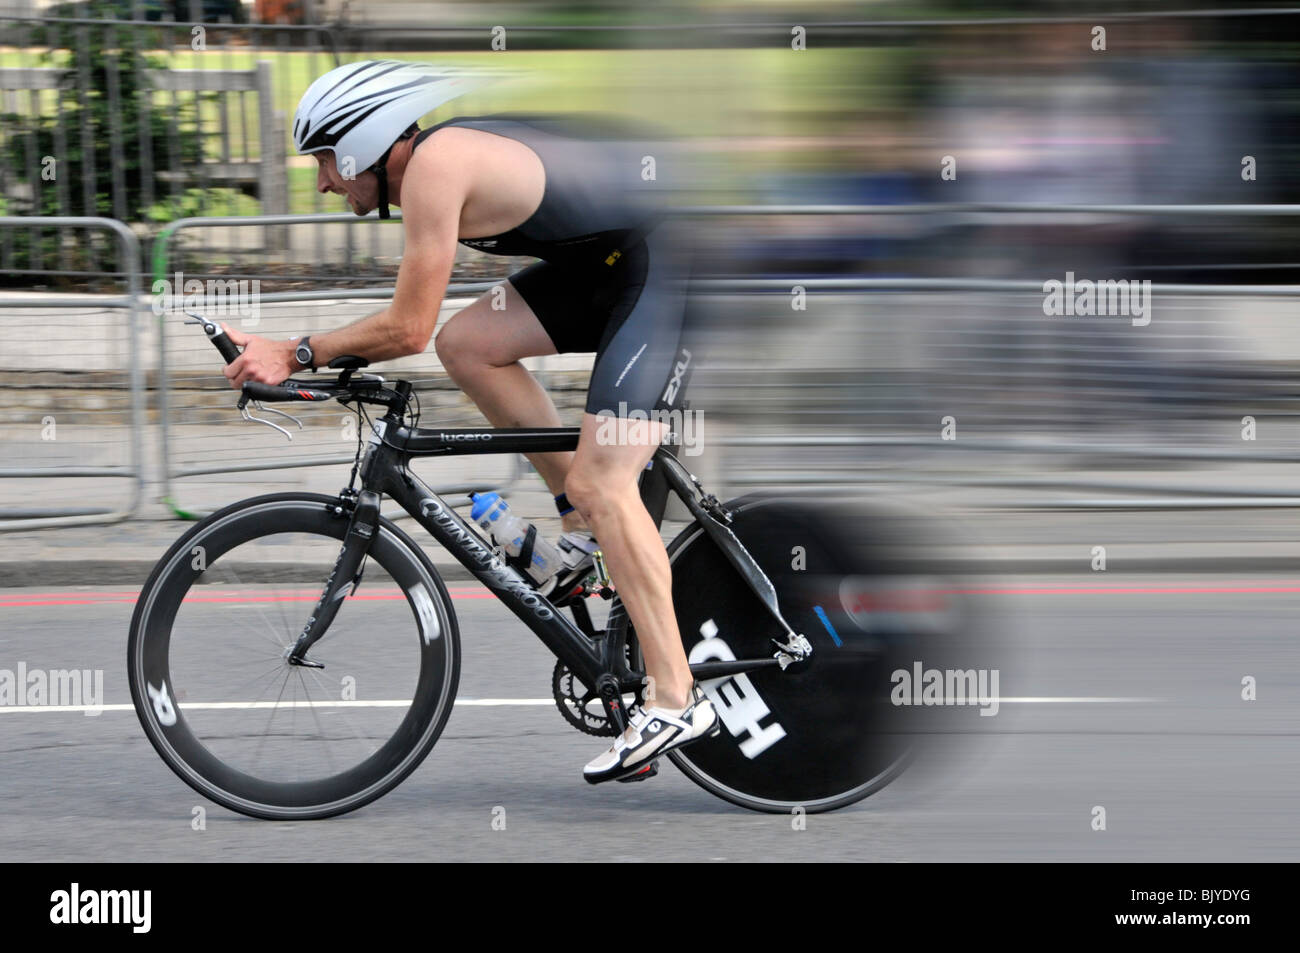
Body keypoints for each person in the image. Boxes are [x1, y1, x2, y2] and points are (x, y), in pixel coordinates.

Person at [220, 60, 716, 784]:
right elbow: (435, 336)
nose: (323, 182)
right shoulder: (435, 164)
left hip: (675, 259)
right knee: (471, 344)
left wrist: (296, 352)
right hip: (615, 261)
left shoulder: (435, 168)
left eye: (325, 160)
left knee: (606, 478)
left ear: (360, 142)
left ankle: (674, 696)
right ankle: (584, 530)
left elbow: (407, 327)